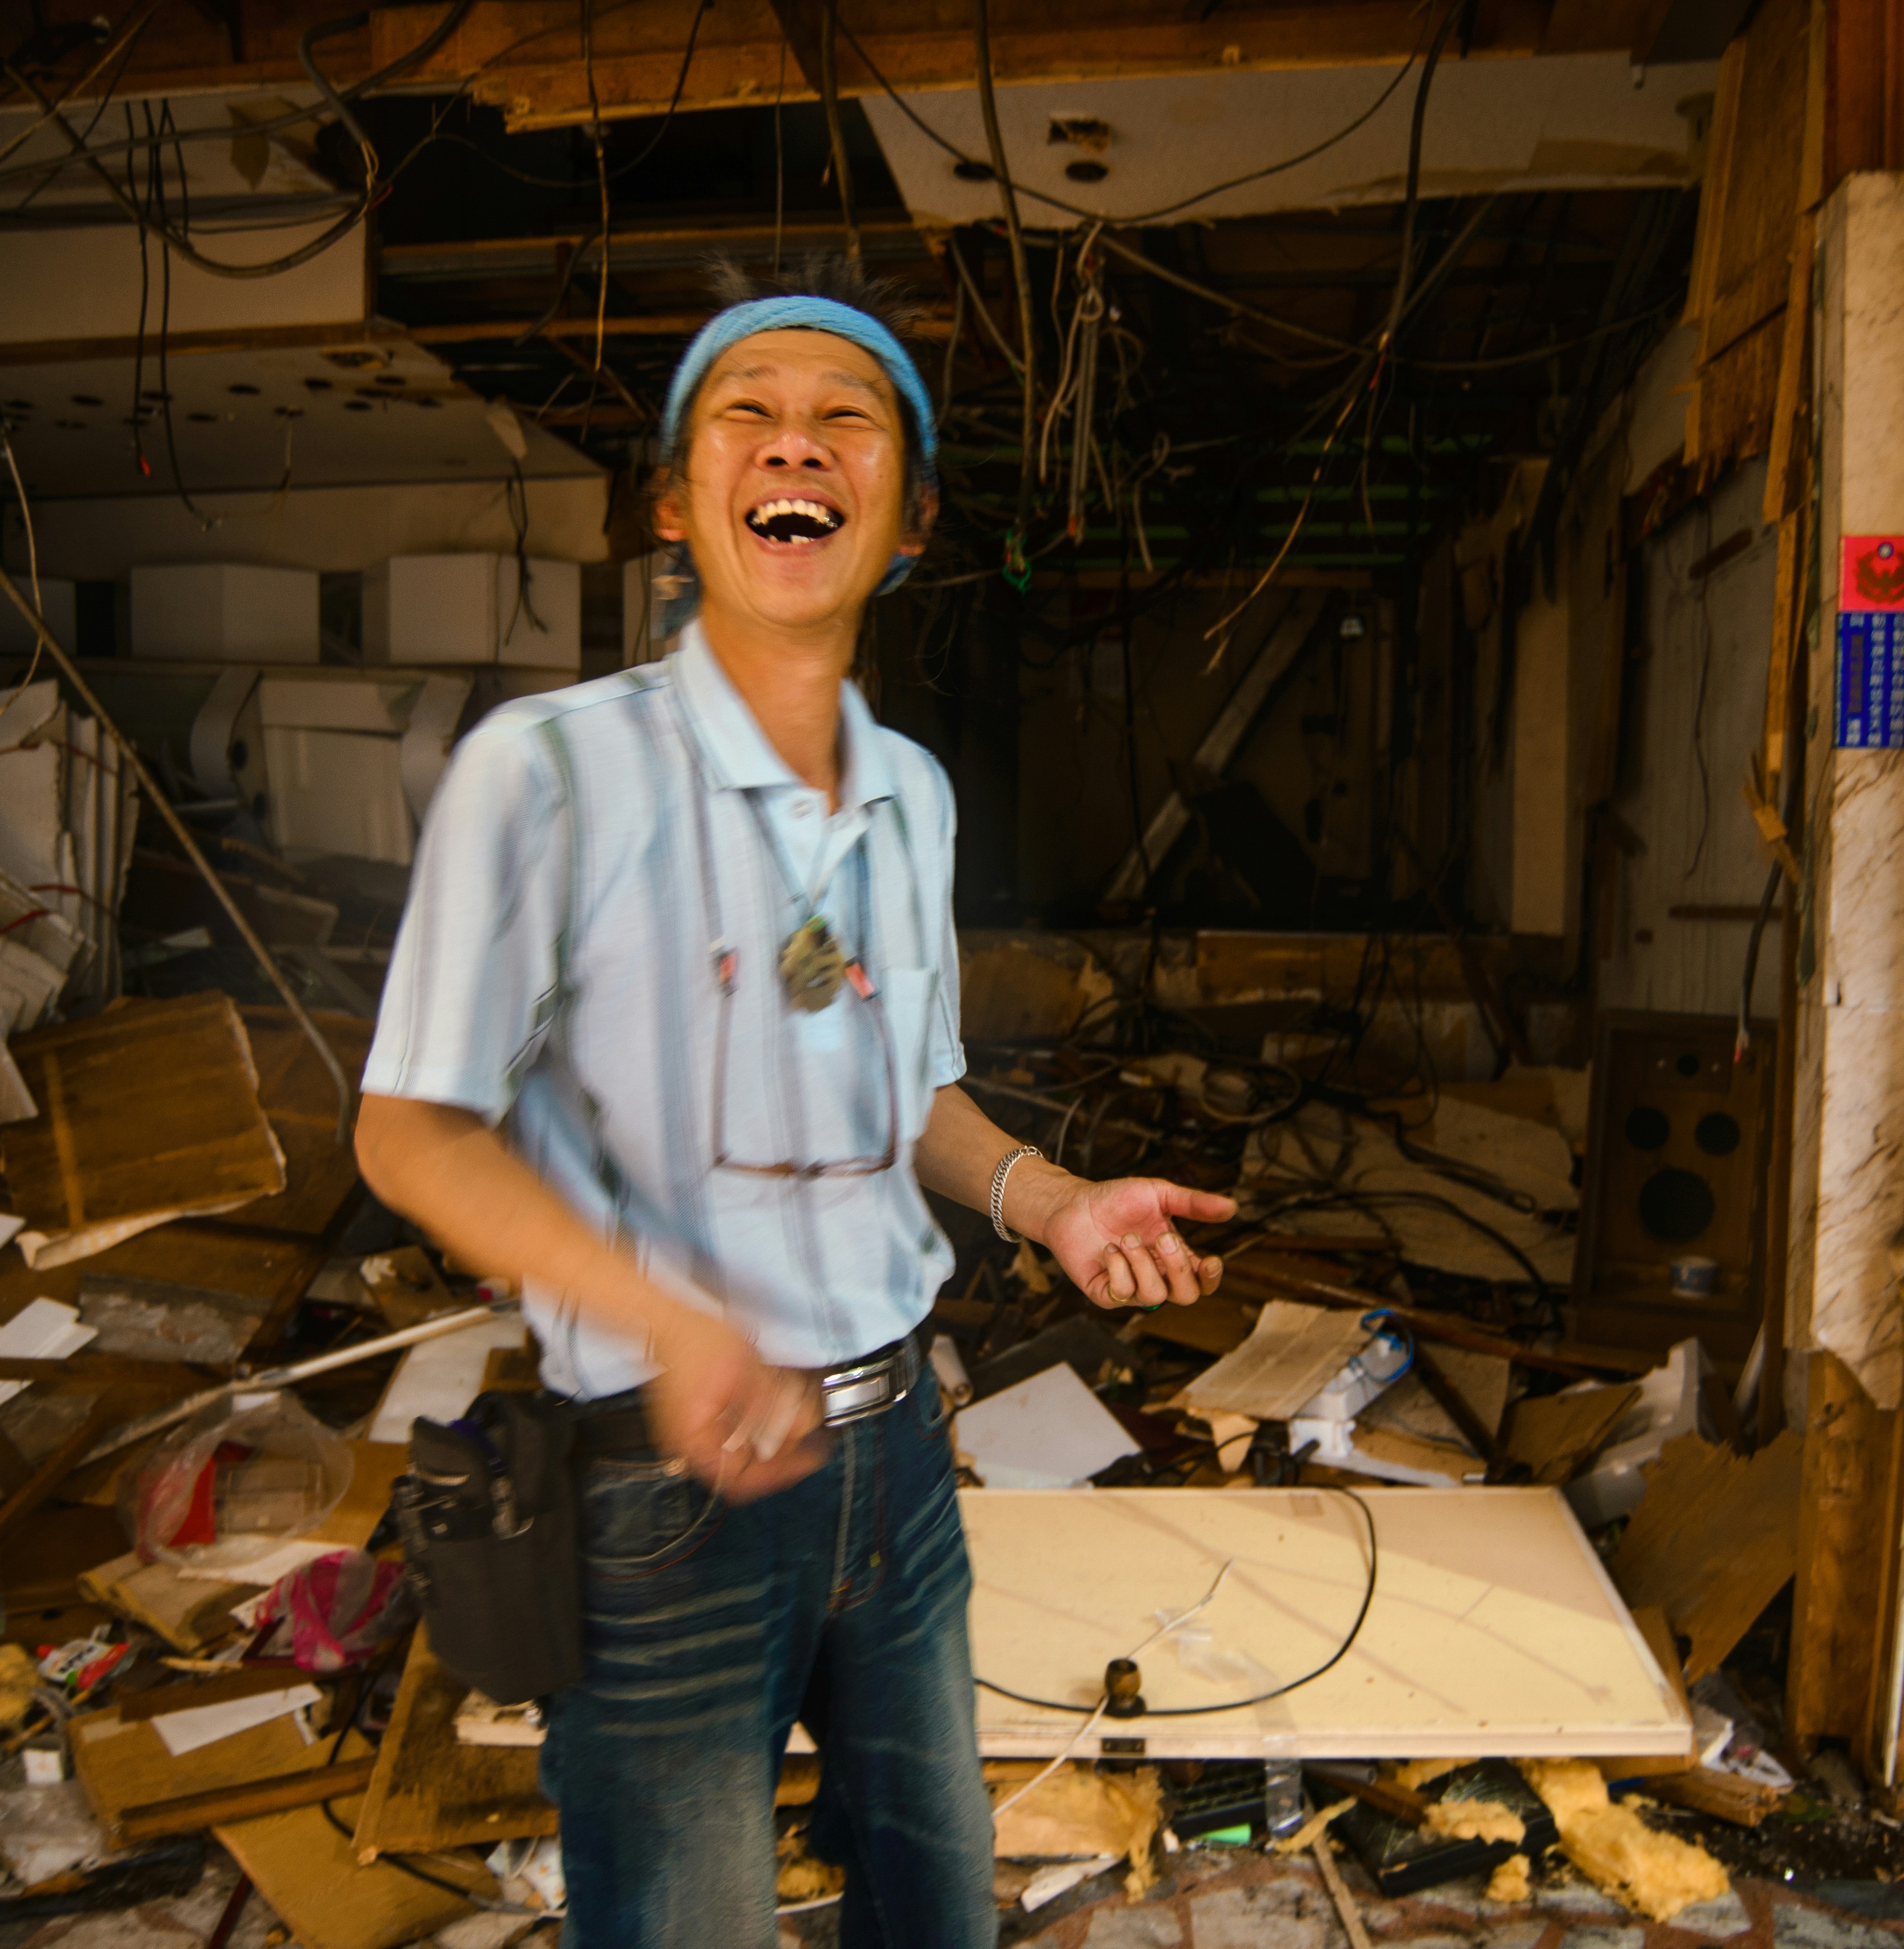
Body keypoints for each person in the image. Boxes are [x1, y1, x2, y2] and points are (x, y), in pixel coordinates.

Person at [352, 260, 1234, 1949]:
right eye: (746, 415)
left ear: (904, 525)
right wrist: (671, 1328)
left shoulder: (911, 794)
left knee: (937, 1906)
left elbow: (917, 1095)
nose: (796, 443)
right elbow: (410, 1132)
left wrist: (1054, 1202)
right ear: (679, 508)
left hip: (898, 1457)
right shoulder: (544, 774)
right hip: (662, 1494)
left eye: (847, 421)